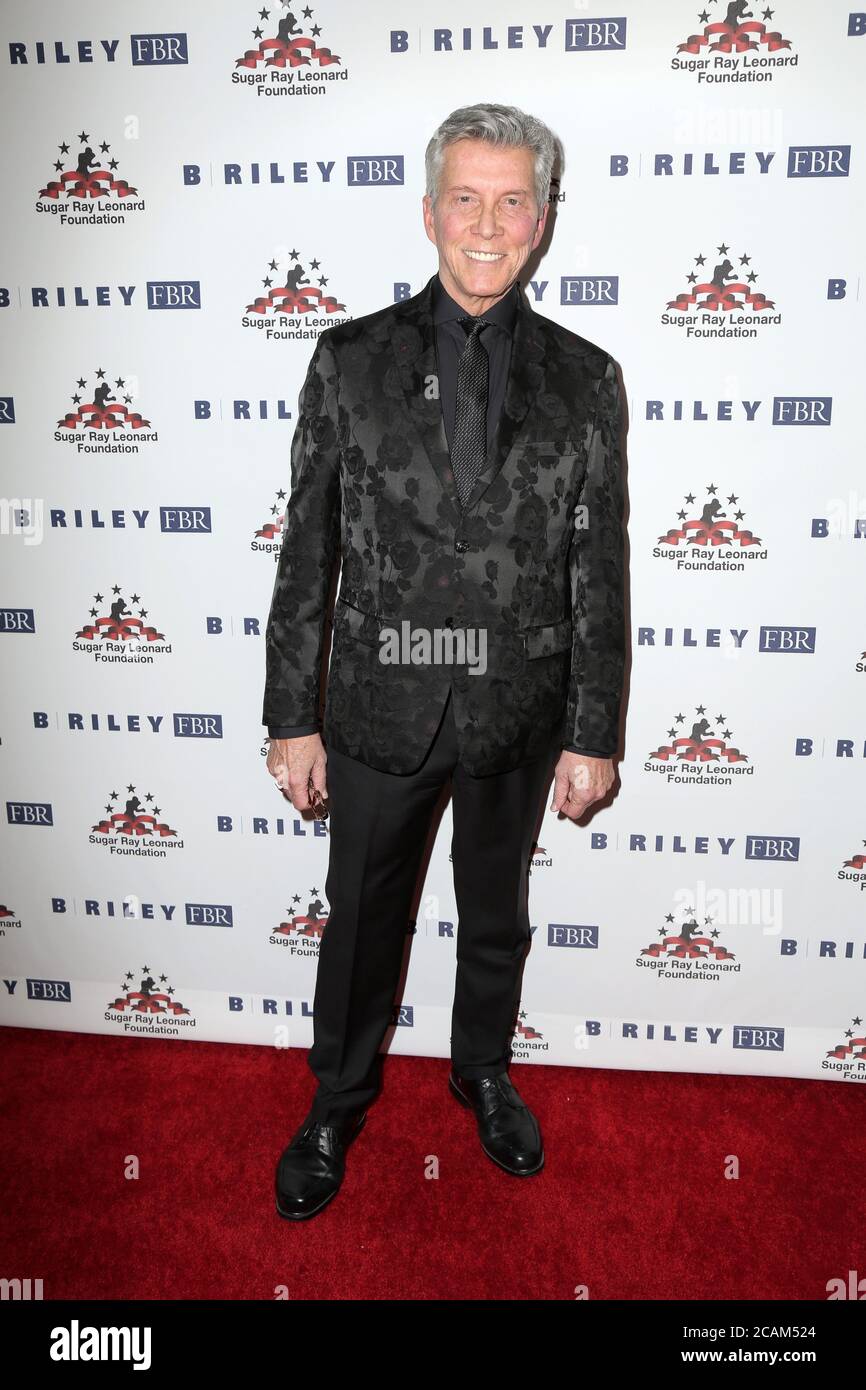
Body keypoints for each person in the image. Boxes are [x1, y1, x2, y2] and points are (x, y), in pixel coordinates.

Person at [262, 102, 627, 1220]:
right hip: (378, 705)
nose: (486, 223)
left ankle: (481, 1071)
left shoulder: (587, 377)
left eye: (511, 200)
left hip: (520, 705)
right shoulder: (348, 361)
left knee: (496, 912)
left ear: (542, 220)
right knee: (361, 917)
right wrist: (292, 714)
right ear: (428, 211)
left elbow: (599, 566)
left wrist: (594, 729)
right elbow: (309, 548)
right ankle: (337, 1098)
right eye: (464, 198)